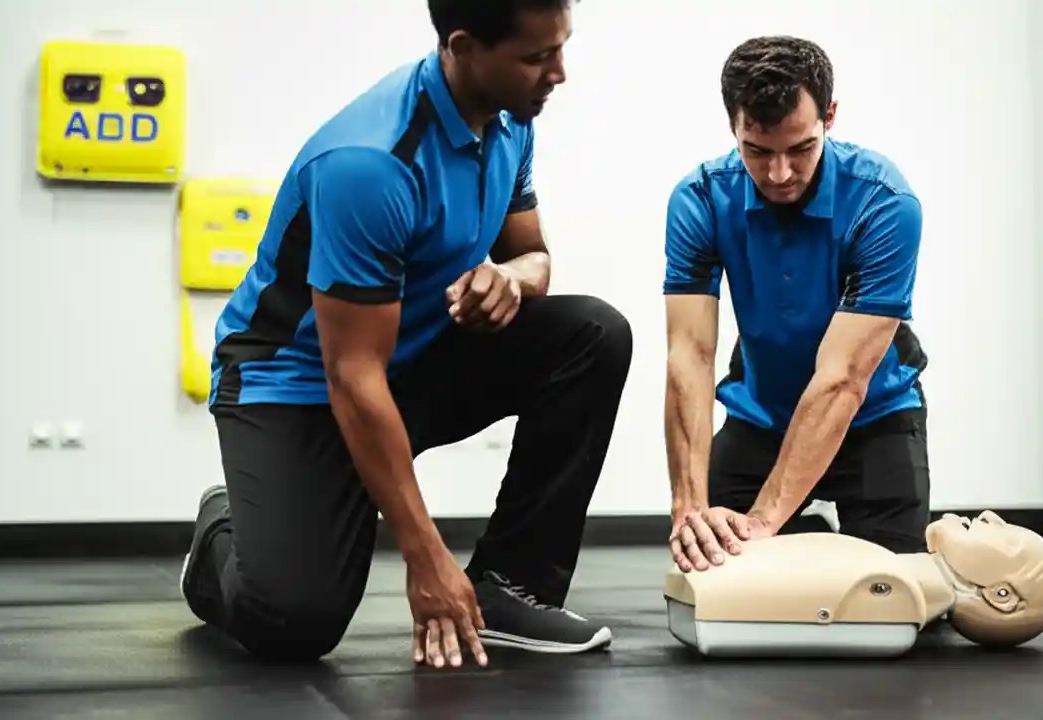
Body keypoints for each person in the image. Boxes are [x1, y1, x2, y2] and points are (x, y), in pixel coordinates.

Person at [180, 0, 630, 672]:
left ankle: (512, 588)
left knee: (592, 332)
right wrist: (426, 559)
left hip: (413, 353)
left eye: (561, 48)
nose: (558, 72)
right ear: (464, 46)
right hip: (293, 382)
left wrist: (508, 278)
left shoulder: (510, 120)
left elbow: (534, 256)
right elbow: (352, 377)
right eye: (538, 57)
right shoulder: (370, 163)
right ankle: (223, 533)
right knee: (295, 622)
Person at [662, 36, 931, 574]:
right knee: (718, 574)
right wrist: (689, 506)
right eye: (757, 151)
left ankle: (802, 533)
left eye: (801, 148)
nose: (779, 174)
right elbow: (689, 354)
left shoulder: (883, 201)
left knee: (892, 597)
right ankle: (803, 534)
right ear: (732, 126)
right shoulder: (700, 198)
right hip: (759, 418)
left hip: (873, 415)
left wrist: (764, 520)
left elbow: (843, 379)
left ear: (829, 116)